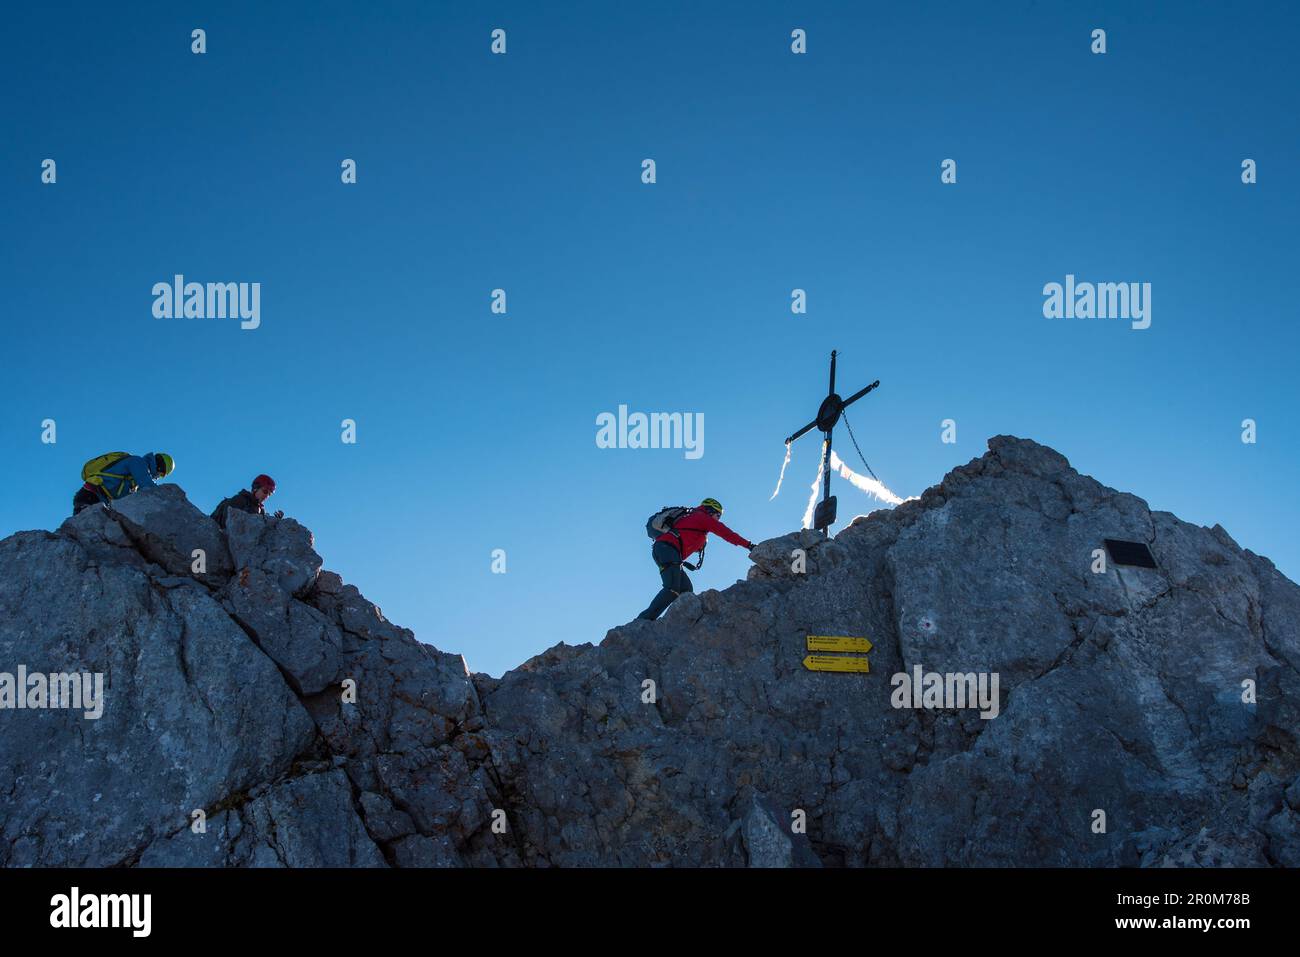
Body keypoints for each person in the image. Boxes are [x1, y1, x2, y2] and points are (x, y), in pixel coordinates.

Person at [637, 498, 755, 621]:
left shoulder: (695, 519)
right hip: (667, 550)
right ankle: (643, 621)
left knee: (686, 590)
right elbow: (727, 533)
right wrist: (749, 545)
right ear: (710, 510)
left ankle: (681, 621)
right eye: (718, 514)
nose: (718, 518)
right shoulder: (702, 517)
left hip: (666, 551)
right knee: (672, 588)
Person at [72, 452, 175, 515]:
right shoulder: (137, 462)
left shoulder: (134, 482)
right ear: (159, 466)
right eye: (161, 474)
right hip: (91, 496)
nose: (158, 477)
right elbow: (148, 486)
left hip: (93, 498)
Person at [211, 474, 281, 528]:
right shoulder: (239, 500)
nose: (266, 496)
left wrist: (276, 522)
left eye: (269, 494)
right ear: (255, 489)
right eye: (265, 491)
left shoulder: (261, 511)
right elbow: (227, 523)